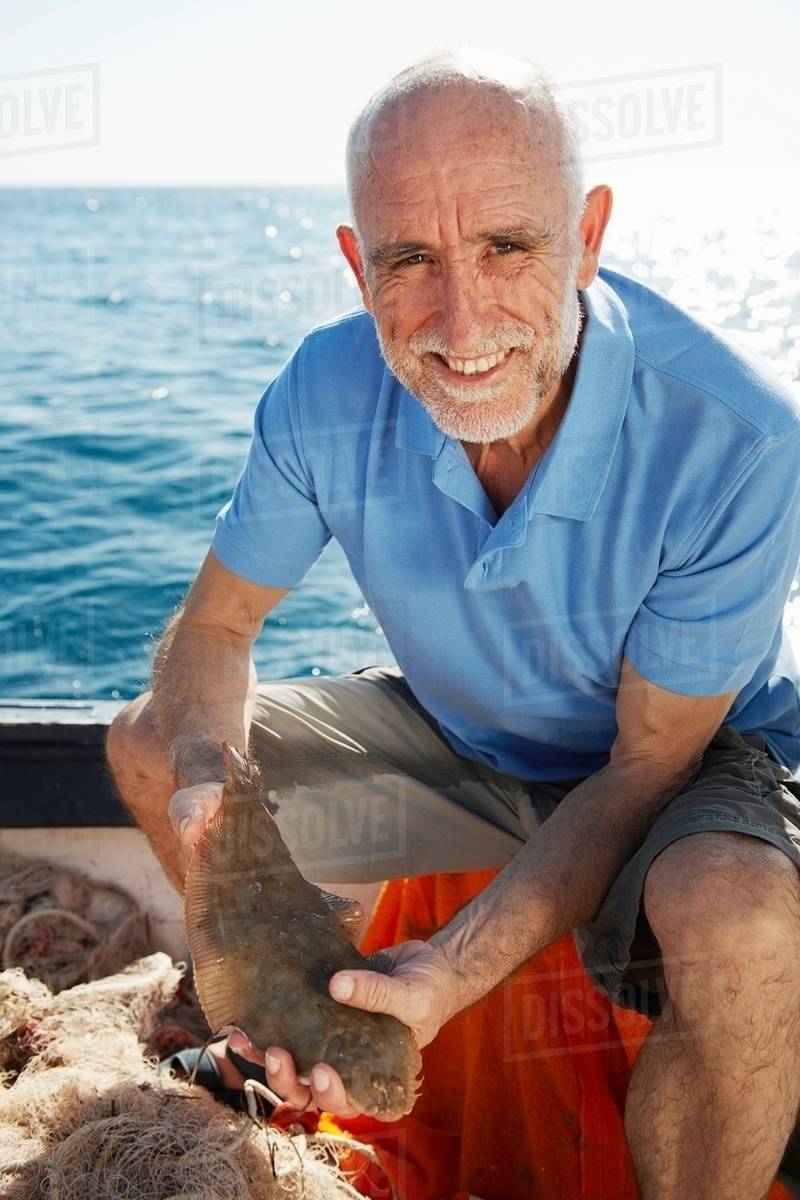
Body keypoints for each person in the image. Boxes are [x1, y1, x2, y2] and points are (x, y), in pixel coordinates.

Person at [106, 48, 800, 1200]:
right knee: (145, 739)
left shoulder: (735, 435)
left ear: (587, 236)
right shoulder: (323, 391)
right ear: (353, 263)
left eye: (507, 247)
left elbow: (636, 773)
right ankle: (302, 1039)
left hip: (683, 766)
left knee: (734, 916)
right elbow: (216, 632)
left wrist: (448, 971)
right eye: (410, 259)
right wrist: (201, 788)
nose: (459, 318)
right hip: (466, 737)